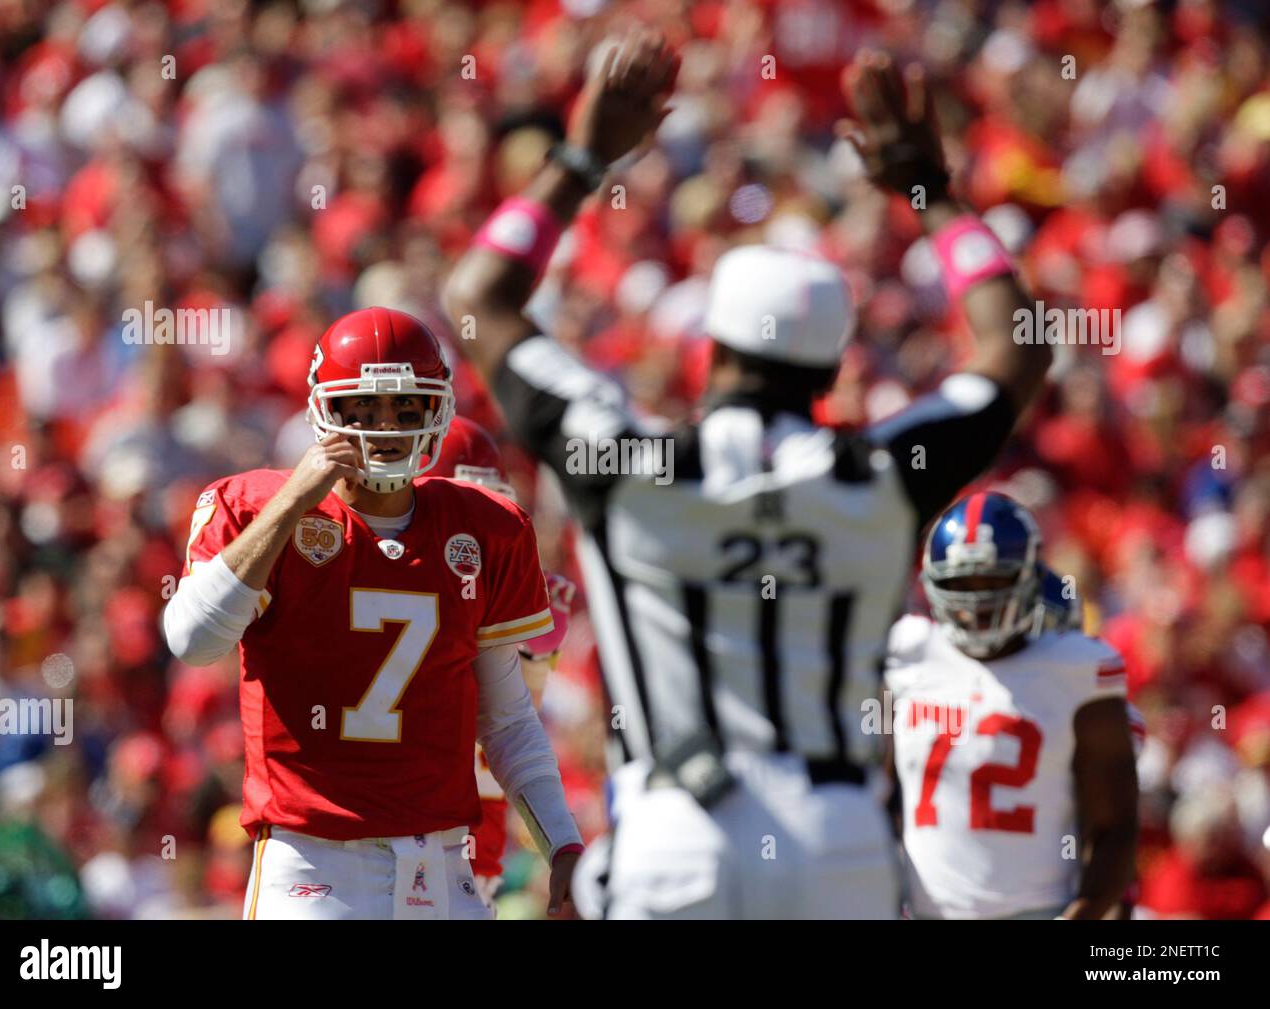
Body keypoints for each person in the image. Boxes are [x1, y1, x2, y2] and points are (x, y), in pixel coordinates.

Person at [442, 32, 1051, 918]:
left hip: (674, 837)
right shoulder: (881, 474)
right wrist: (932, 193)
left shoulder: (624, 463)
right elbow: (1018, 345)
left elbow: (478, 297)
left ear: (711, 349)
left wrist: (580, 159)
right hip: (835, 838)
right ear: (832, 371)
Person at [161, 307, 582, 920]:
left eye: (406, 408)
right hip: (312, 864)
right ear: (325, 409)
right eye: (364, 407)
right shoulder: (258, 507)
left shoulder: (485, 526)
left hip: (444, 862)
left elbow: (508, 719)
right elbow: (191, 640)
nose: (385, 427)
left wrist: (563, 845)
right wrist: (293, 503)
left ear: (437, 410)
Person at [884, 492, 1139, 919]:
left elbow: (1115, 824)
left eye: (991, 584)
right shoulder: (908, 652)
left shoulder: (1076, 671)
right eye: (961, 586)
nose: (976, 604)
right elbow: (881, 794)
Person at [417, 414, 576, 907]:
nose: (480, 519)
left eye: (490, 500)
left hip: (471, 846)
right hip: (404, 835)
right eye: (469, 500)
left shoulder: (512, 585)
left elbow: (512, 711)